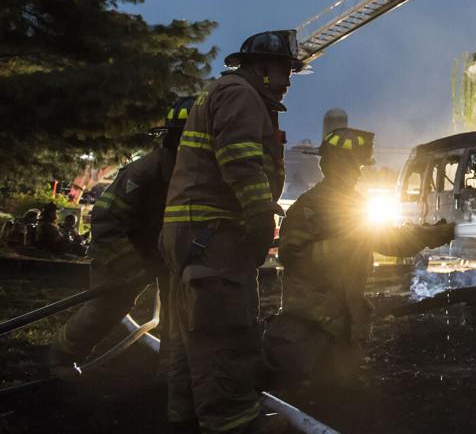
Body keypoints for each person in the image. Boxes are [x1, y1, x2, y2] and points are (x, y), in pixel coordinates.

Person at [160, 30, 303, 434]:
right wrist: (261, 218)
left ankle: (185, 418)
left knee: (193, 338)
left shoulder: (224, 93)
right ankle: (233, 422)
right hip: (214, 236)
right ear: (261, 66)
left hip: (195, 234)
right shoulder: (242, 95)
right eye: (284, 69)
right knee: (224, 332)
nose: (288, 80)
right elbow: (240, 161)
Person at [263, 127, 454, 385]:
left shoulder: (351, 202)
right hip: (311, 327)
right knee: (310, 395)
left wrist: (431, 235)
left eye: (360, 168)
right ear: (333, 165)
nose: (357, 174)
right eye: (355, 167)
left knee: (345, 397)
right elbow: (291, 255)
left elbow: (387, 240)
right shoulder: (309, 207)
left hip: (342, 325)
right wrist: (345, 245)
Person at [47, 97, 194, 378]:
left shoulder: (189, 170)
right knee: (108, 305)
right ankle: (61, 358)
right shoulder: (146, 170)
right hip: (121, 250)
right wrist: (131, 263)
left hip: (163, 253)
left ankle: (170, 373)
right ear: (177, 137)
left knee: (179, 313)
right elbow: (106, 217)